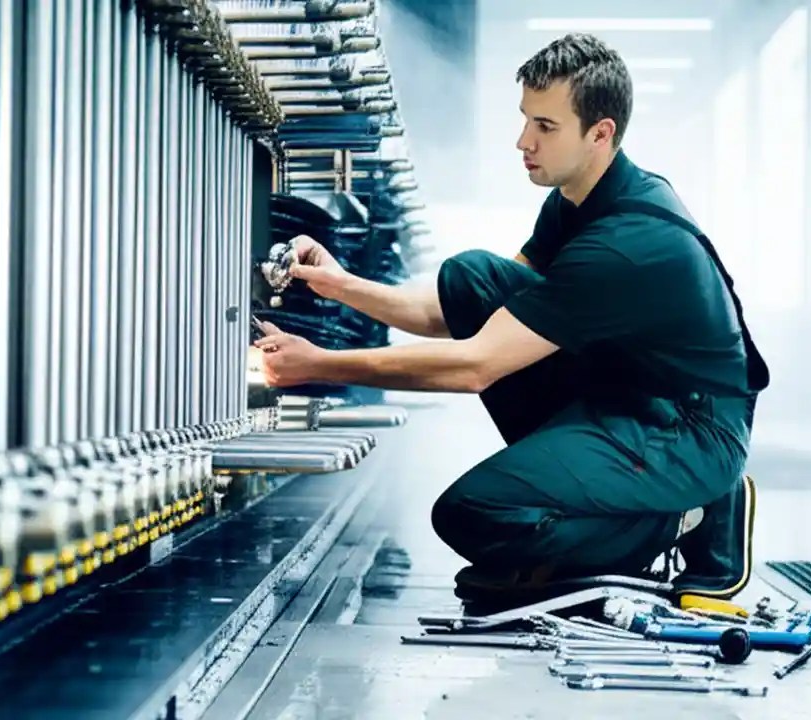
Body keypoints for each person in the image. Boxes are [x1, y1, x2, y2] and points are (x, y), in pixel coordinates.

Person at [253, 33, 769, 606]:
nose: (523, 141)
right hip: (633, 397)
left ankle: (687, 516)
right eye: (526, 119)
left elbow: (474, 365)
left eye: (545, 127)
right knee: (477, 277)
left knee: (473, 514)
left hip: (689, 433)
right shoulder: (575, 199)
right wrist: (342, 284)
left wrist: (321, 365)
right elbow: (466, 317)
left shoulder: (626, 244)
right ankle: (612, 508)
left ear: (601, 134)